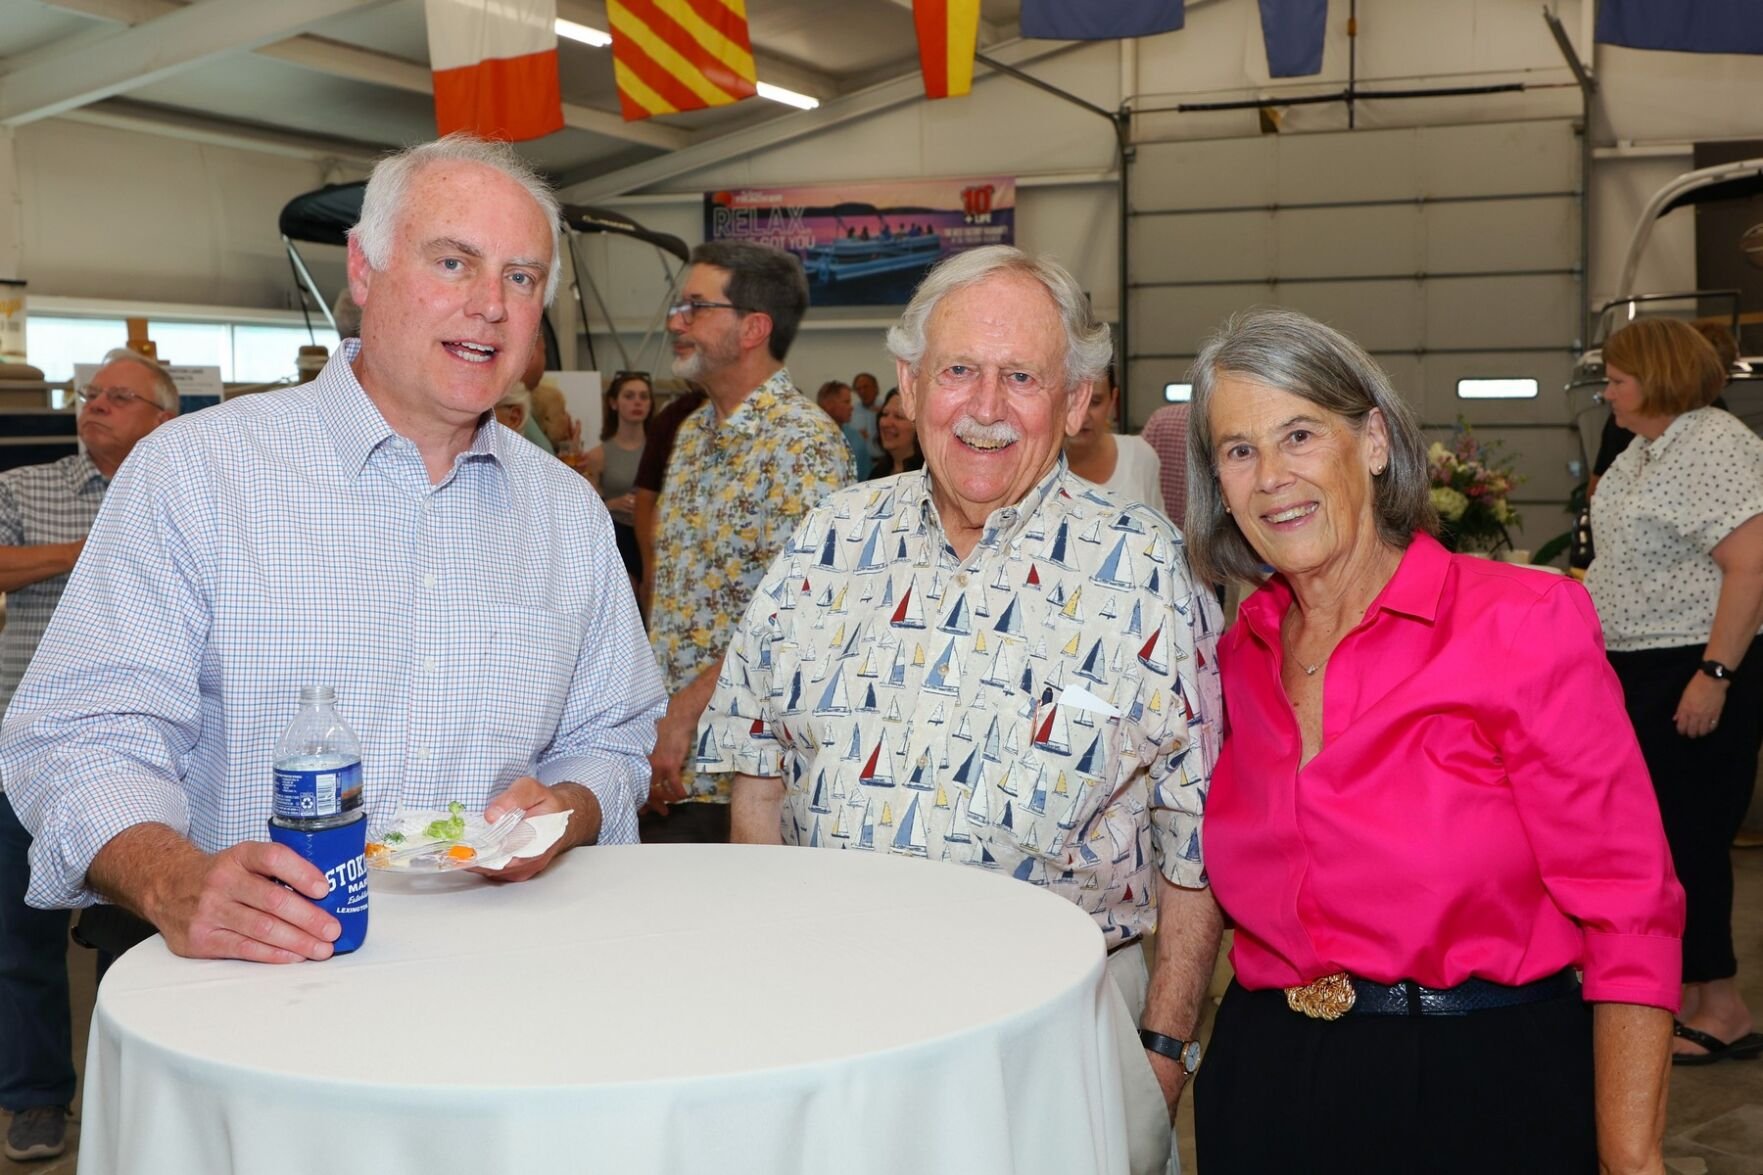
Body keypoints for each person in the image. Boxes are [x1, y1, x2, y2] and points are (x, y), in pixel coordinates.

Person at [0, 134, 664, 970]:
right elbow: (82, 732)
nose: (491, 304)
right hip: (257, 983)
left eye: (521, 277)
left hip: (503, 978)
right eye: (454, 263)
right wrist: (174, 879)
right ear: (363, 270)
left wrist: (567, 804)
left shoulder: (564, 513)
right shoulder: (199, 473)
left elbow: (615, 731)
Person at [700, 246, 1225, 1175]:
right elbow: (759, 769)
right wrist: (766, 975)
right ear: (908, 384)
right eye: (958, 372)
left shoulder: (1144, 570)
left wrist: (1162, 1051)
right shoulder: (829, 541)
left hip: (1058, 1032)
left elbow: (1196, 834)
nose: (985, 409)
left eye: (1021, 377)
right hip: (831, 1016)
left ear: (1072, 402)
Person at [1185, 307, 1683, 1174]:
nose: (1270, 477)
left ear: (1373, 440)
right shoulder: (1243, 651)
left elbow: (1627, 906)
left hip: (1479, 1082)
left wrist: (1631, 1156)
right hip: (1266, 1078)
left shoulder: (1519, 624)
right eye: (1237, 450)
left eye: (1298, 434)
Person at [0, 348, 177, 1163]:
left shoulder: (188, 490)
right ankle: (36, 1098)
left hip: (150, 756)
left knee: (135, 935)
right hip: (21, 751)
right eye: (90, 394)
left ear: (163, 418)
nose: (95, 405)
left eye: (120, 396)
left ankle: (131, 1088)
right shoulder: (25, 487)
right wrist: (91, 546)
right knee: (19, 940)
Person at [1585, 316, 1763, 1066]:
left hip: (1694, 664)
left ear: (1655, 378)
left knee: (1692, 835)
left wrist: (1713, 675)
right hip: (1639, 667)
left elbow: (1751, 566)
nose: (1607, 390)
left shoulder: (1714, 444)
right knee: (1659, 839)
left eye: (1617, 377)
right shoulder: (1643, 449)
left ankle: (1722, 1006)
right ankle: (1688, 991)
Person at [644, 242, 852, 843]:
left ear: (754, 327)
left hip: (743, 776)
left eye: (695, 307)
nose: (675, 321)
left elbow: (796, 620)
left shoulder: (803, 445)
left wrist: (683, 715)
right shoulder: (691, 433)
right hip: (670, 763)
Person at [631, 383, 708, 615]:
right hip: (675, 564)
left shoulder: (775, 417)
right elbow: (646, 497)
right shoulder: (674, 417)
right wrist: (650, 567)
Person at [581, 372, 652, 588]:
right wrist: (612, 504)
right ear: (614, 403)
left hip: (652, 537)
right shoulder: (597, 455)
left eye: (644, 396)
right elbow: (586, 509)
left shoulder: (660, 452)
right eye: (629, 396)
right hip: (618, 538)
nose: (637, 402)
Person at [1065, 362, 1163, 514]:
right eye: (1071, 401)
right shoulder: (1034, 466)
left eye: (1095, 402)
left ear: (1113, 399)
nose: (1082, 416)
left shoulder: (1140, 457)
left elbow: (1160, 530)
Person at [1140, 401, 1192, 529]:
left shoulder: (1161, 419)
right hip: (1217, 540)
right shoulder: (1227, 424)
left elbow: (1138, 476)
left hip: (1160, 536)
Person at [815, 379, 872, 479]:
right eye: (846, 402)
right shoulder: (812, 437)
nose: (851, 407)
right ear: (828, 404)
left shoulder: (856, 437)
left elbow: (867, 475)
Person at [868, 388, 922, 478]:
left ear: (919, 426)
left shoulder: (929, 478)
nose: (886, 423)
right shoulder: (878, 472)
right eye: (884, 414)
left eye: (898, 417)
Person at [849, 370, 883, 466]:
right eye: (858, 389)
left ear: (876, 388)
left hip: (884, 462)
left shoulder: (886, 407)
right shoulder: (852, 411)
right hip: (862, 464)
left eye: (865, 387)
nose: (862, 391)